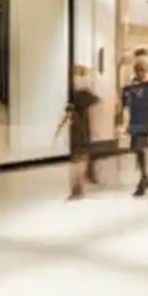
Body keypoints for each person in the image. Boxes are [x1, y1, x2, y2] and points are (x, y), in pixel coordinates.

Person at [56, 65, 99, 200]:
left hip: (75, 130)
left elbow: (67, 113)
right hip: (82, 130)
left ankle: (76, 186)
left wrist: (60, 127)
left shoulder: (72, 94)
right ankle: (78, 185)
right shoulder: (84, 94)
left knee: (76, 159)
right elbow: (96, 101)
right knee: (80, 159)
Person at [121, 58, 148, 197]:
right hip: (134, 121)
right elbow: (125, 106)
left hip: (145, 122)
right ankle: (145, 177)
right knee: (137, 150)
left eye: (144, 71)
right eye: (140, 71)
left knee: (140, 148)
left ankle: (143, 180)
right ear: (136, 71)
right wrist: (125, 123)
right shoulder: (129, 88)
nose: (143, 74)